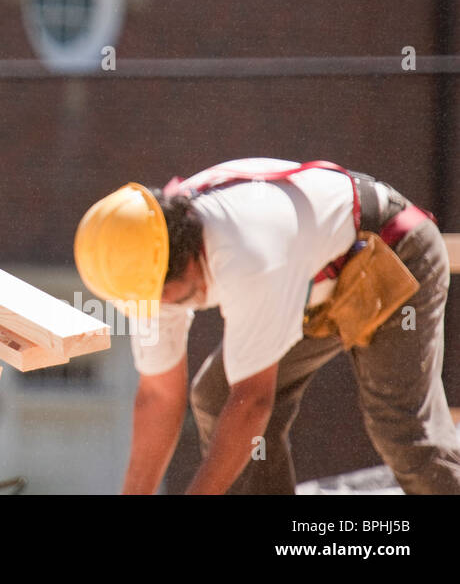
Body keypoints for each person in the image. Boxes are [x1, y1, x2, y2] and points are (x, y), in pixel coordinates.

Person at [73, 157, 460, 494]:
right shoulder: (148, 257)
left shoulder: (248, 254)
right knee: (217, 396)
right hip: (313, 279)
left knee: (404, 432)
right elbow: (159, 396)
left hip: (392, 250)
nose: (156, 309)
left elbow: (253, 402)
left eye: (162, 298)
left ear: (186, 264)